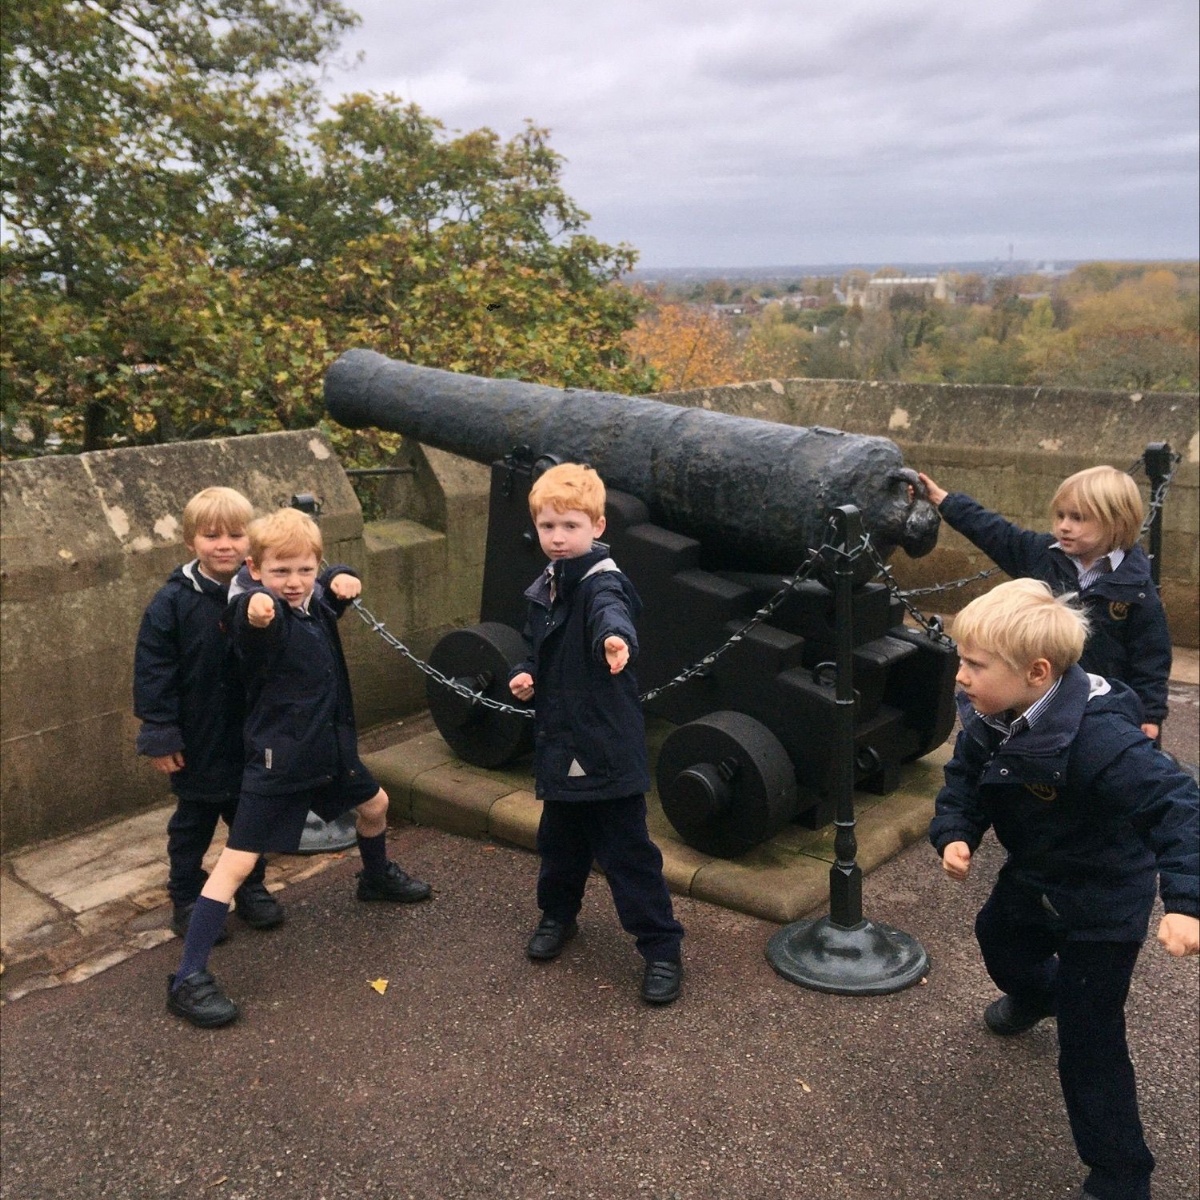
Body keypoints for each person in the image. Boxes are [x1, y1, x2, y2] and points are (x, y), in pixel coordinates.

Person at [929, 579, 1198, 1200]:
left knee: (1090, 1043)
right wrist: (955, 831)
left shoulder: (1102, 741)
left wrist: (1186, 903)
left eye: (974, 663)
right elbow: (965, 779)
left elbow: (1179, 805)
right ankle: (1040, 992)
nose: (960, 676)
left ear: (1036, 672)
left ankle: (1120, 1175)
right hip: (1038, 873)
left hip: (1104, 900)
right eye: (961, 659)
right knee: (997, 937)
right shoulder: (991, 717)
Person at [166, 507, 430, 1028]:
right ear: (254, 567)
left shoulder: (312, 602)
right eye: (280, 571)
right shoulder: (257, 607)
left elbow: (327, 585)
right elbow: (252, 620)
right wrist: (259, 610)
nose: (293, 582)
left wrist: (337, 575)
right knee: (237, 862)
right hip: (280, 758)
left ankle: (374, 877)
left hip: (329, 748)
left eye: (304, 570)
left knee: (376, 805)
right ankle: (187, 977)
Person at [508, 463, 685, 1005]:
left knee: (627, 852)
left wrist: (615, 640)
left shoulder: (602, 582)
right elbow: (543, 645)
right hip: (562, 740)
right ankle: (558, 916)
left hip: (605, 745)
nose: (558, 538)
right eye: (548, 527)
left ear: (598, 527)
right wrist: (530, 675)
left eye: (570, 526)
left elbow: (613, 613)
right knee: (559, 845)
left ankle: (661, 948)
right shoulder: (549, 585)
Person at [917, 465, 1170, 739]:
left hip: (1103, 707)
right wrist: (944, 500)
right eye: (1061, 515)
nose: (1064, 526)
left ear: (1116, 522)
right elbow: (995, 532)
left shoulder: (1136, 587)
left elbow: (1151, 658)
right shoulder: (1042, 555)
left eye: (1078, 518)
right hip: (1041, 698)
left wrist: (1149, 715)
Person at [134, 486, 282, 941]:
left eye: (236, 535)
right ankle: (186, 896)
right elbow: (153, 669)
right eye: (211, 535)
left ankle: (250, 887)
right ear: (190, 542)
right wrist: (161, 732)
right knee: (193, 825)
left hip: (250, 733)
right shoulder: (172, 603)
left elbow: (308, 576)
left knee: (250, 818)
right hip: (198, 738)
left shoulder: (262, 589)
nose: (224, 545)